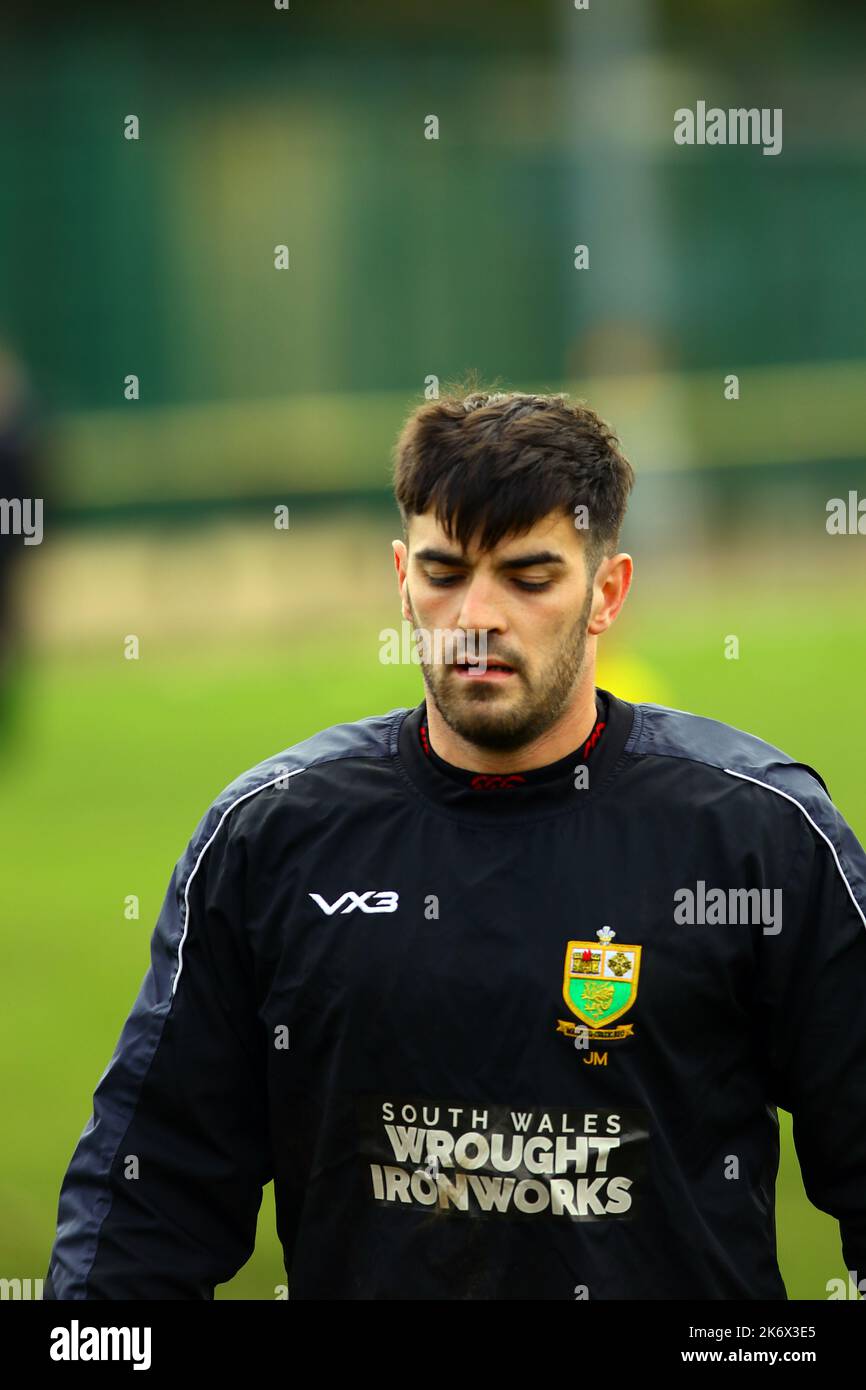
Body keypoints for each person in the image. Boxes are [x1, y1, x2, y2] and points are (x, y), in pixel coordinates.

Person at [44, 389, 866, 1299]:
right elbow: (145, 1204)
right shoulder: (273, 839)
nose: (476, 615)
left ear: (607, 592)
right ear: (402, 576)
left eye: (527, 576)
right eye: (443, 573)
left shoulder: (757, 836)